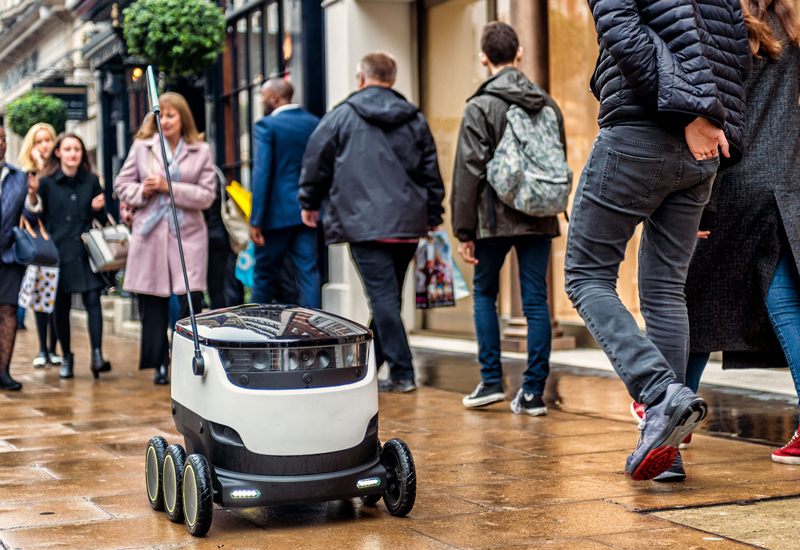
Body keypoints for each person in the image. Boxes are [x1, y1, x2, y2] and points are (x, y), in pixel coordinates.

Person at [563, 0, 750, 481]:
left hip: (643, 132)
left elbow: (621, 30)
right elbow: (734, 56)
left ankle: (659, 394)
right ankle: (667, 447)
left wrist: (688, 113)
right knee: (666, 290)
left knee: (586, 276)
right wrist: (711, 128)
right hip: (702, 151)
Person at [682, 0, 800, 465]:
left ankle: (672, 417)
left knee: (695, 299)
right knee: (786, 305)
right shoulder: (790, 26)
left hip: (730, 183)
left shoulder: (727, 26)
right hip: (783, 184)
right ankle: (672, 417)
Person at [299, 52, 445, 393]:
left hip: (362, 223)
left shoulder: (341, 116)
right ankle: (368, 369)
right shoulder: (414, 118)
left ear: (361, 78)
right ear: (392, 79)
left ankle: (403, 372)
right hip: (407, 224)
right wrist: (434, 214)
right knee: (387, 299)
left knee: (383, 299)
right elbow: (430, 171)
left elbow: (315, 160)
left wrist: (308, 202)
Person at [452, 22, 565, 416]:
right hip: (539, 214)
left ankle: (490, 383)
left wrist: (463, 229)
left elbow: (469, 169)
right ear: (518, 54)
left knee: (485, 293)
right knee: (536, 301)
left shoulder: (480, 105)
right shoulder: (547, 103)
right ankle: (533, 393)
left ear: (484, 58)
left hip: (492, 218)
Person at [114, 92, 215, 385]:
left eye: (171, 115)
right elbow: (122, 183)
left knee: (190, 301)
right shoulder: (142, 147)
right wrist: (143, 191)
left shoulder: (201, 150)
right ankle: (159, 363)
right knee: (152, 302)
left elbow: (207, 195)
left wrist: (169, 188)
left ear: (183, 118)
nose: (166, 120)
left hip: (188, 235)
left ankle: (184, 358)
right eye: (162, 115)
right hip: (151, 234)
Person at [38, 133, 111, 380]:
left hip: (85, 253)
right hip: (58, 254)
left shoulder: (91, 180)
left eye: (77, 149)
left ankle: (97, 355)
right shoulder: (46, 182)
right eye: (67, 149)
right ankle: (66, 357)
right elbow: (37, 217)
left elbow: (102, 220)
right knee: (61, 307)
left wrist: (97, 210)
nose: (73, 153)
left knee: (93, 300)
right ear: (58, 152)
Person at [250, 78, 321, 308]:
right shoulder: (314, 123)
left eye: (263, 96)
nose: (261, 101)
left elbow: (262, 174)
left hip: (275, 215)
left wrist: (255, 220)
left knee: (263, 275)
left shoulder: (266, 125)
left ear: (274, 98)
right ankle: (315, 333)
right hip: (307, 211)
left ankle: (253, 335)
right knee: (308, 273)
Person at [0, 125, 41, 390]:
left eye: (2, 138)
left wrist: (33, 195)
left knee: (8, 311)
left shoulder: (18, 177)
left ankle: (3, 372)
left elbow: (33, 217)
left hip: (7, 256)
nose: (0, 143)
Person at [17, 122, 61, 369]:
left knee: (56, 299)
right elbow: (29, 212)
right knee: (42, 299)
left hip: (60, 243)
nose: (44, 145)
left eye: (48, 140)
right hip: (39, 244)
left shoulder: (59, 170)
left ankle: (54, 349)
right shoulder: (27, 174)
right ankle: (43, 350)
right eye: (39, 141)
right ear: (31, 146)